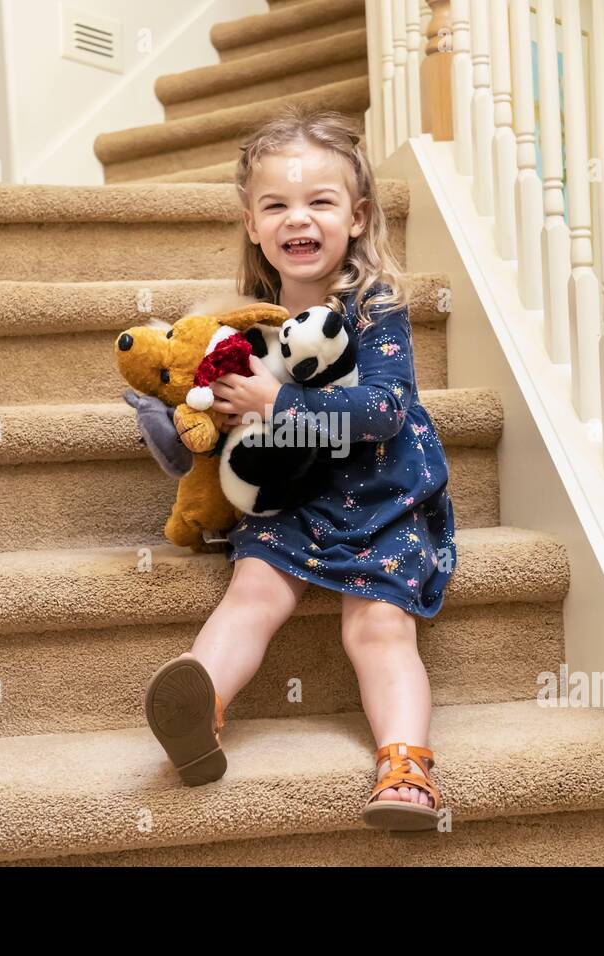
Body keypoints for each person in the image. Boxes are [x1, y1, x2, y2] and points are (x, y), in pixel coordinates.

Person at [143, 105, 457, 832]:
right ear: (251, 224)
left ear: (358, 215)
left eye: (320, 202)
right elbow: (223, 421)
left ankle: (406, 764)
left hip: (383, 497)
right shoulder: (243, 324)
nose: (299, 219)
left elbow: (382, 412)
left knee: (377, 627)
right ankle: (200, 709)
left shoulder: (374, 307)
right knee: (252, 592)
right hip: (291, 500)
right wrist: (219, 416)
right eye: (276, 204)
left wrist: (278, 400)